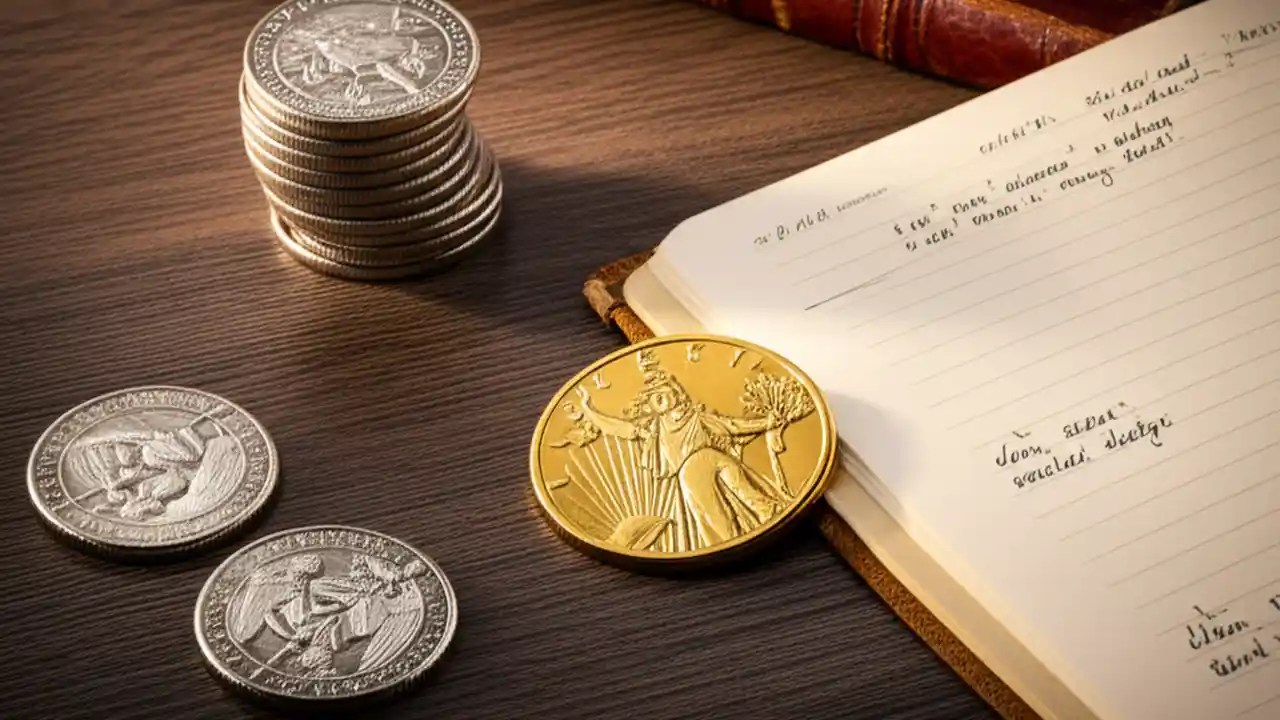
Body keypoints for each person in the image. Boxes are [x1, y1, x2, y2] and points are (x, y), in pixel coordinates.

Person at [576, 350, 786, 548]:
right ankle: (732, 545)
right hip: (691, 471)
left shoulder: (697, 417)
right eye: (655, 397)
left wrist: (766, 423)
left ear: (676, 392)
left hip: (712, 457)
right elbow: (620, 427)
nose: (662, 398)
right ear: (650, 405)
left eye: (665, 393)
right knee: (716, 517)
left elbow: (731, 426)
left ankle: (766, 511)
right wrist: (588, 409)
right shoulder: (652, 428)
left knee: (739, 480)